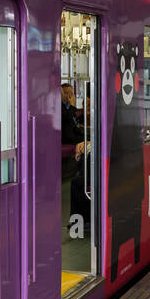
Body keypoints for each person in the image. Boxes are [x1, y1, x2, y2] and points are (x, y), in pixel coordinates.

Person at [61, 84, 88, 234]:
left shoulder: (69, 108)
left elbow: (75, 120)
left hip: (74, 136)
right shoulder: (61, 107)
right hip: (67, 138)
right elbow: (67, 119)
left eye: (71, 93)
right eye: (66, 93)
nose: (69, 96)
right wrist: (72, 105)